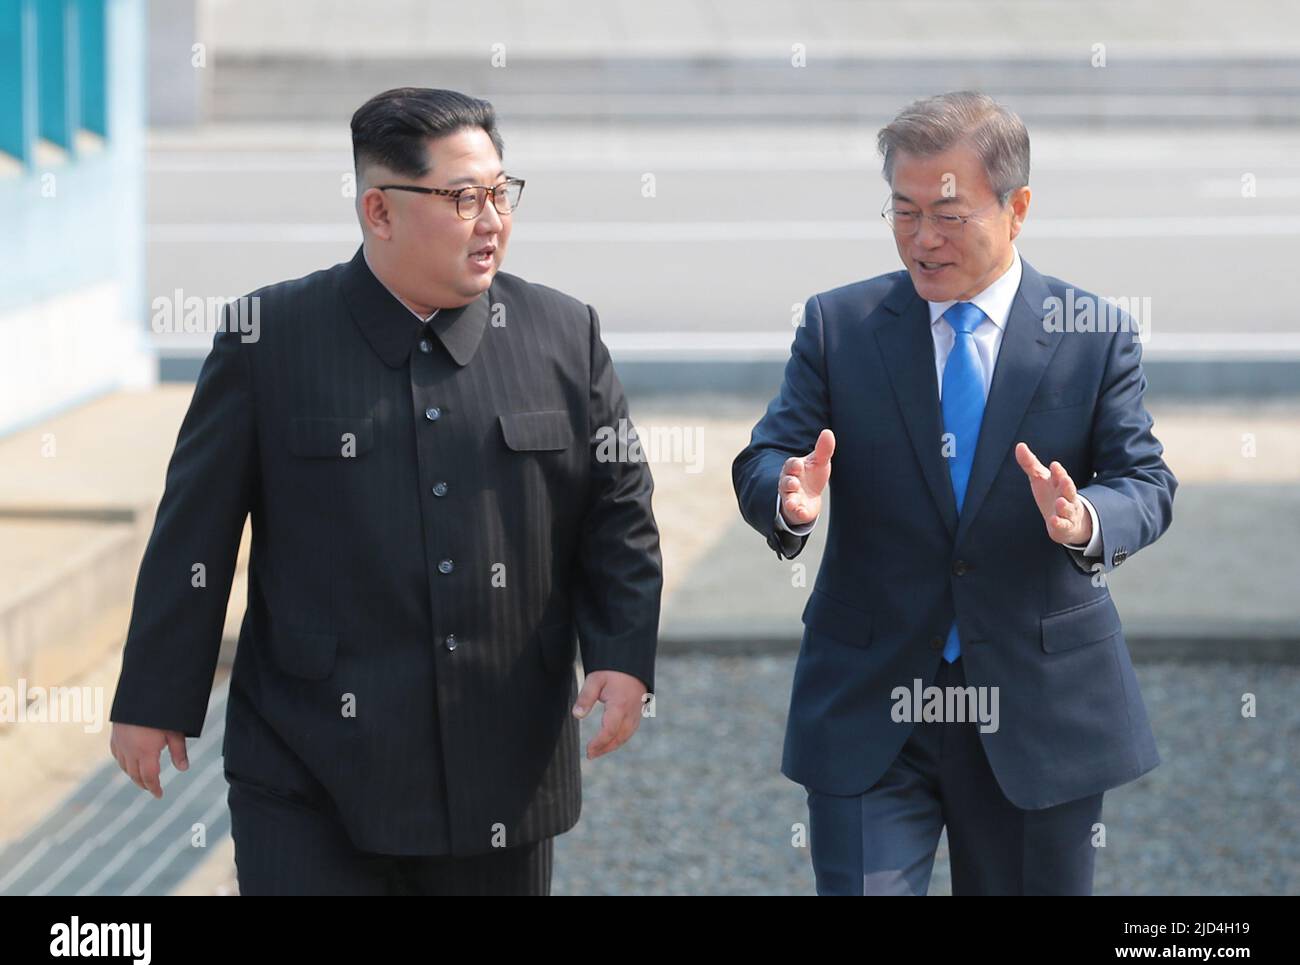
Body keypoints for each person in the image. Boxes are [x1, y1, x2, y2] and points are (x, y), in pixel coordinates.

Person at [108, 87, 662, 895]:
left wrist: (621, 654)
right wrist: (155, 695)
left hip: (502, 763)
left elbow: (617, 514)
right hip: (309, 766)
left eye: (500, 192)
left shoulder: (561, 334)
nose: (492, 219)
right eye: (463, 197)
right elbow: (195, 530)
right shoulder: (270, 339)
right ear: (379, 209)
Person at [732, 91, 1176, 895]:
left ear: (1018, 208)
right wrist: (787, 499)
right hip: (873, 697)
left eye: (948, 214)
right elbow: (768, 454)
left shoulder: (1093, 331)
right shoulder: (841, 324)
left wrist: (1085, 521)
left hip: (1038, 704)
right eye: (902, 212)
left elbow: (1147, 482)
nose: (922, 239)